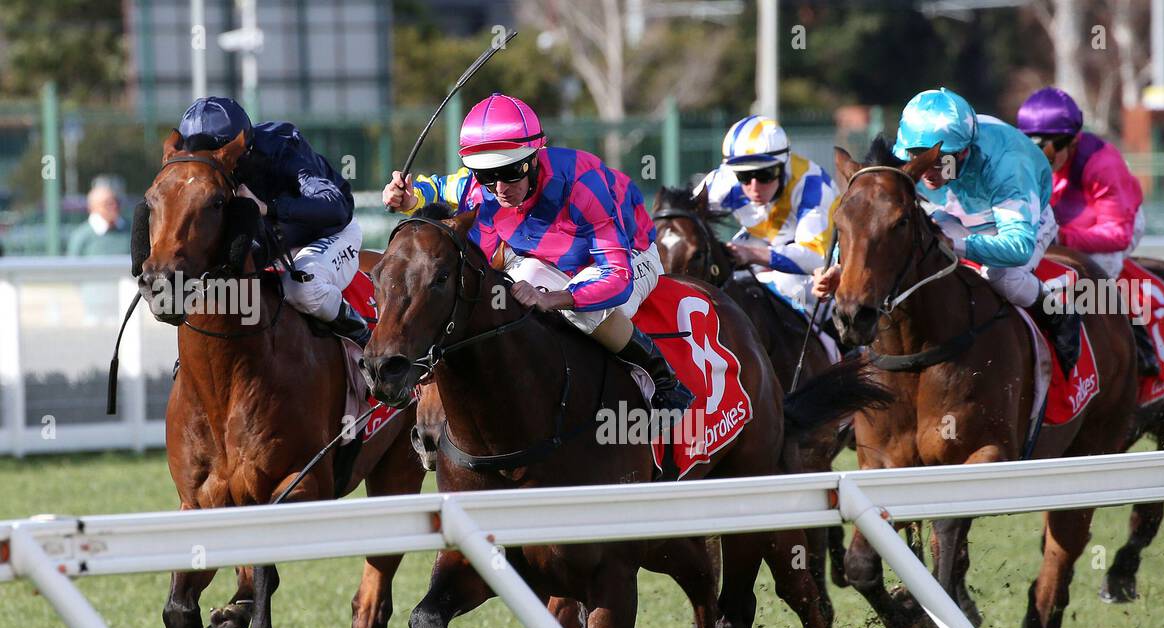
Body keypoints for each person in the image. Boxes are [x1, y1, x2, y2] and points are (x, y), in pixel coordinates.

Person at [383, 92, 692, 412]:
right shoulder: (481, 186)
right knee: (504, 287)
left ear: (534, 158)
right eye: (487, 175)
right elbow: (436, 186)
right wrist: (411, 199)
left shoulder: (583, 184)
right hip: (548, 259)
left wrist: (552, 299)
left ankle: (663, 379)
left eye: (510, 172)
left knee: (580, 309)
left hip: (630, 256)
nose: (500, 188)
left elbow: (617, 276)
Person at [814, 87, 1078, 371]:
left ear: (964, 152)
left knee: (1003, 277)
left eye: (941, 160)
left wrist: (957, 244)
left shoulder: (1009, 165)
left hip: (1023, 222)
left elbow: (1018, 248)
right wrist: (841, 266)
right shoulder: (910, 158)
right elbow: (869, 221)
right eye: (918, 157)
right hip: (956, 215)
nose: (927, 170)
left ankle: (1056, 309)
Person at [176, 96, 371, 345]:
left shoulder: (282, 148)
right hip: (275, 239)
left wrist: (268, 208)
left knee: (302, 289)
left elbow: (336, 207)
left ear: (241, 147)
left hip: (328, 232)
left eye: (220, 156)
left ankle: (363, 339)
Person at [1017, 86, 1157, 376]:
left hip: (1115, 227)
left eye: (1047, 148)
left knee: (1095, 272)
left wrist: (1061, 237)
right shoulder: (1027, 159)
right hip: (1061, 222)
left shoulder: (1102, 165)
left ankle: (1139, 346)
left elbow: (1117, 235)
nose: (1039, 156)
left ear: (1072, 141)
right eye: (1030, 145)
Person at [694, 114, 837, 317]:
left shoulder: (812, 187)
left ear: (783, 166)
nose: (754, 187)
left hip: (828, 258)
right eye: (744, 176)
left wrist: (751, 254)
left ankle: (833, 338)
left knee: (790, 282)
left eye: (765, 175)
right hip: (765, 240)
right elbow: (682, 212)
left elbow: (815, 258)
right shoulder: (725, 181)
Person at [67, 175, 131, 256]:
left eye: (117, 202)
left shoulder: (131, 230)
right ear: (93, 208)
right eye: (108, 204)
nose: (114, 206)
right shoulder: (81, 236)